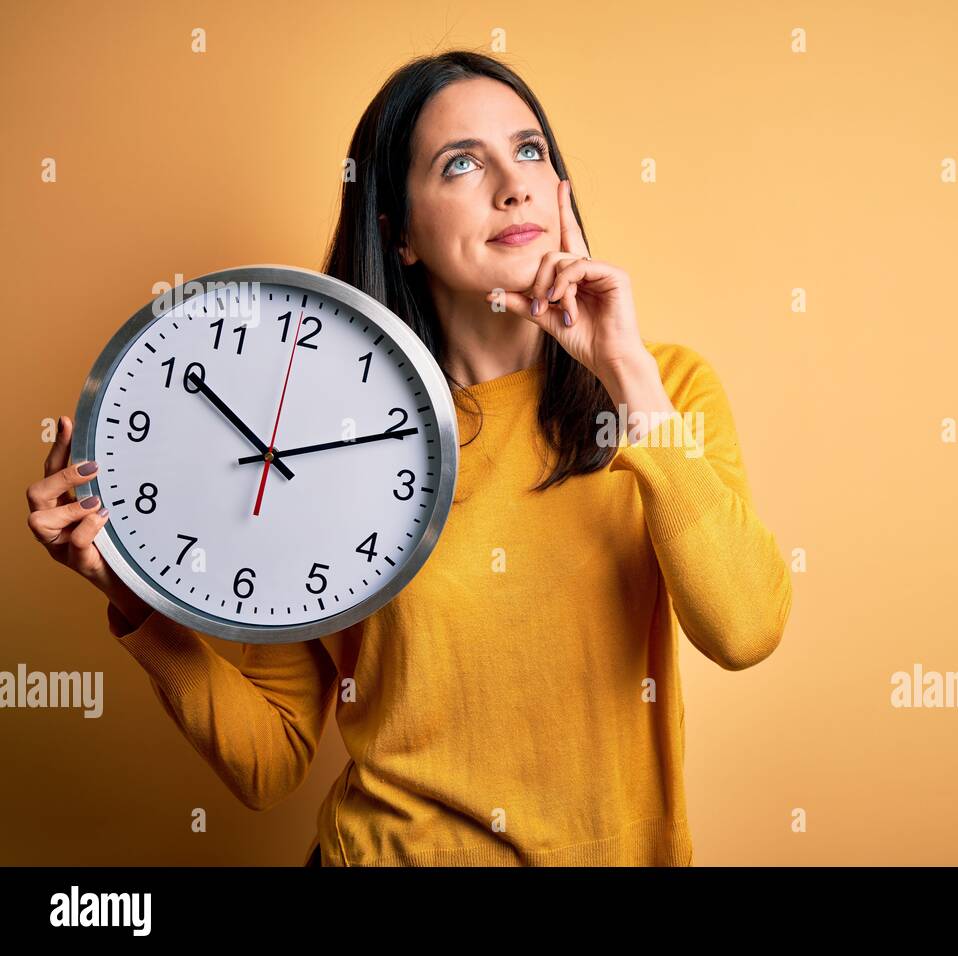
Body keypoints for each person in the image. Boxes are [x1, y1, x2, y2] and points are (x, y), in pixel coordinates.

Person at [25, 49, 792, 866]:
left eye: (529, 151)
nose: (512, 184)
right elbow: (270, 759)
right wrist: (129, 591)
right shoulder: (320, 446)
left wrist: (625, 371)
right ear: (399, 232)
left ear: (561, 190)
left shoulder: (665, 389)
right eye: (462, 163)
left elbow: (743, 628)